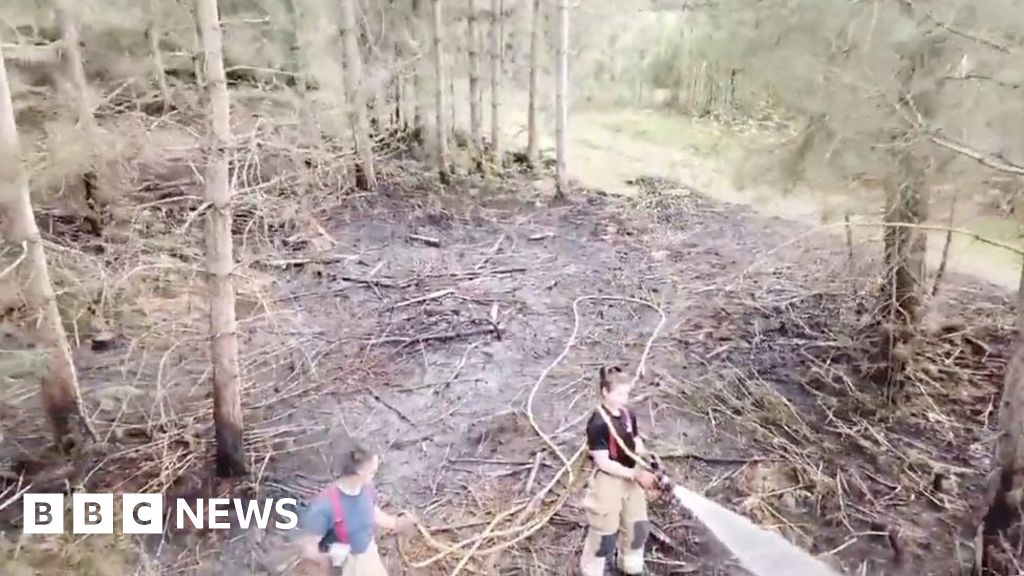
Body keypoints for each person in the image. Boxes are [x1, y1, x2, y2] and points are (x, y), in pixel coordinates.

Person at [580, 366, 660, 576]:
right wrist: (635, 475)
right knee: (604, 532)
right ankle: (592, 571)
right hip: (609, 481)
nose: (624, 399)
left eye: (626, 393)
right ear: (605, 392)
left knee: (637, 526)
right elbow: (603, 462)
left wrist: (649, 459)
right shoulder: (597, 423)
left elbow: (634, 440)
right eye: (619, 394)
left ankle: (631, 567)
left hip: (631, 475)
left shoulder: (627, 414)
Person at [295, 441, 416, 576]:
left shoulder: (367, 489)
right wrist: (327, 558)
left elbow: (373, 512)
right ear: (358, 472)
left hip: (368, 555)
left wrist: (396, 523)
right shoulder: (323, 507)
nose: (374, 475)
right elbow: (308, 547)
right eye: (372, 472)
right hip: (347, 565)